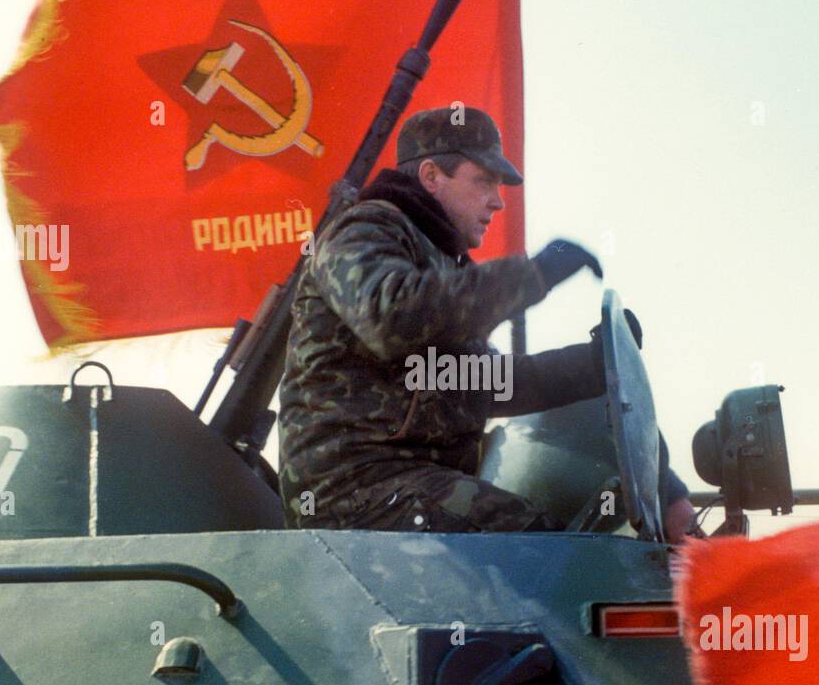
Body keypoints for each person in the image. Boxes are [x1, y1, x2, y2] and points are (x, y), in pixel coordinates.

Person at [277, 106, 696, 541]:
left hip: (407, 484)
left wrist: (592, 364)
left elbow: (485, 382)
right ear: (431, 175)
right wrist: (533, 275)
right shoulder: (365, 229)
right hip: (352, 489)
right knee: (548, 553)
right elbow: (389, 316)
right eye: (483, 181)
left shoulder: (438, 263)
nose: (497, 200)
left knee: (563, 546)